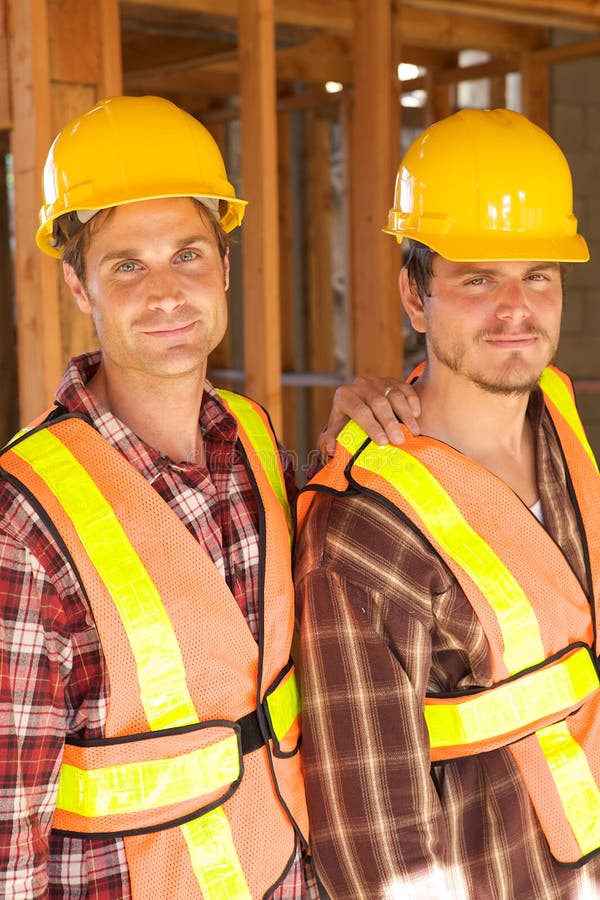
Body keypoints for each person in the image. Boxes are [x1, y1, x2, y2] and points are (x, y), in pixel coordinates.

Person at [0, 94, 413, 899]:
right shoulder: (24, 514)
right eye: (127, 264)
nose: (166, 292)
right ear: (79, 289)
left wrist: (350, 438)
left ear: (224, 268)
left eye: (188, 255)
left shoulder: (256, 438)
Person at [295, 107, 600, 899]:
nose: (515, 308)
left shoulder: (562, 420)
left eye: (538, 274)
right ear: (415, 293)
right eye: (477, 278)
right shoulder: (362, 532)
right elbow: (381, 848)